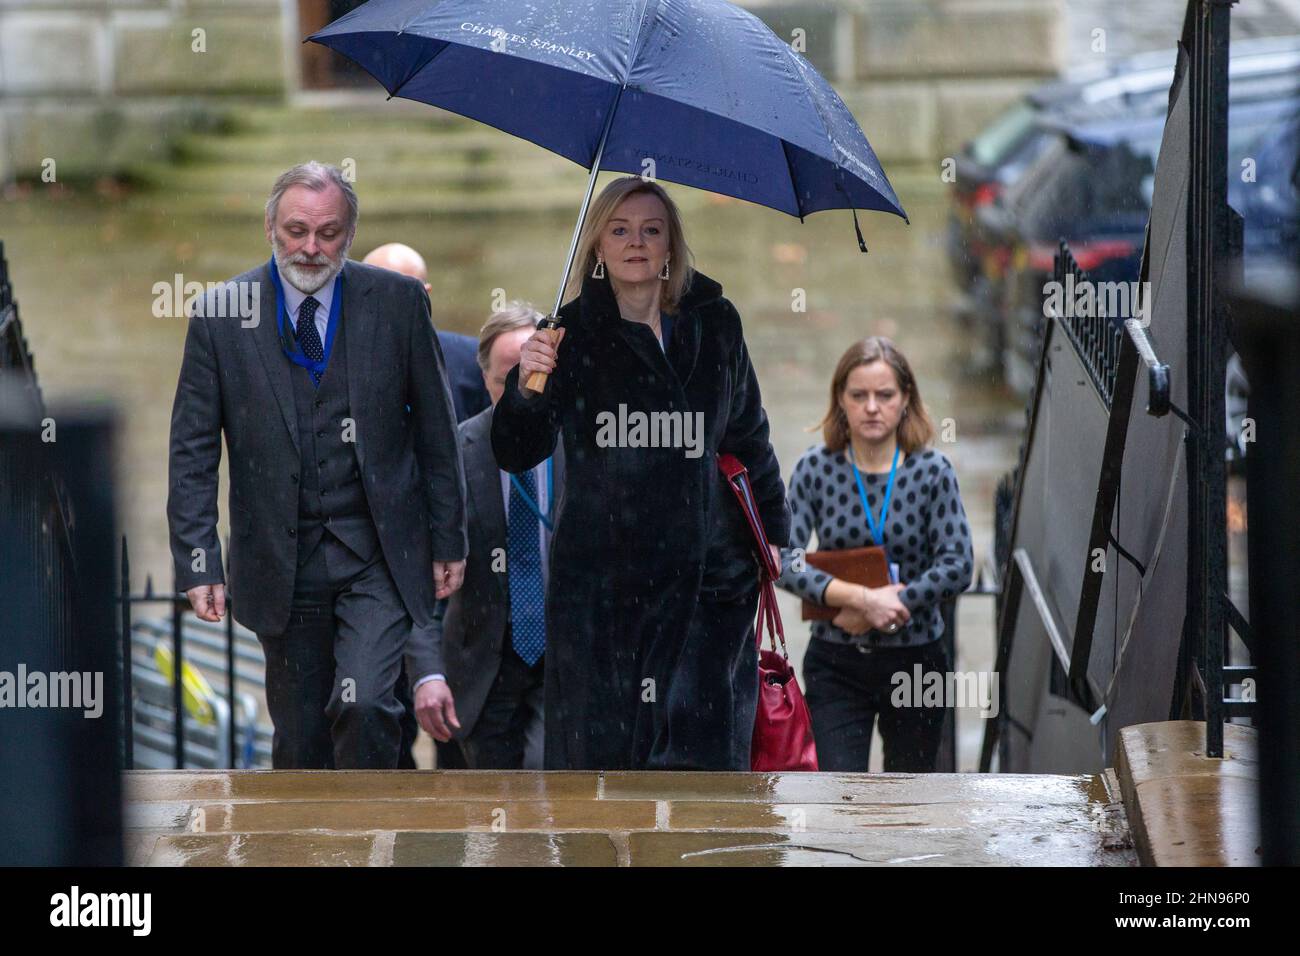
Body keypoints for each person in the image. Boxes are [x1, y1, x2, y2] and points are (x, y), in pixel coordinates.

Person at [167, 162, 467, 769]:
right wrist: (199, 558)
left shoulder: (398, 303)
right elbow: (193, 451)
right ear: (270, 227)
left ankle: (372, 844)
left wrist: (449, 539)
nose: (310, 247)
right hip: (280, 556)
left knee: (366, 704)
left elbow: (438, 432)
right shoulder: (221, 314)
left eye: (327, 232)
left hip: (379, 551)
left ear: (350, 234)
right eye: (295, 229)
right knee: (301, 738)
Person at [492, 175, 788, 771]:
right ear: (598, 246)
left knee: (702, 769)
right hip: (606, 589)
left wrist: (772, 535)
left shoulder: (715, 322)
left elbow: (749, 436)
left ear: (671, 246)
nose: (636, 242)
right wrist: (525, 385)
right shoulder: (567, 336)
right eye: (620, 230)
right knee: (607, 773)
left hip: (708, 577)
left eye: (652, 230)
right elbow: (517, 451)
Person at [776, 336, 973, 772]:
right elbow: (782, 558)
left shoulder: (931, 471)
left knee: (909, 799)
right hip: (836, 663)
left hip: (916, 661)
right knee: (837, 794)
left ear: (905, 401)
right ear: (840, 401)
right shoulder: (816, 467)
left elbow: (958, 564)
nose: (871, 407)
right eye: (858, 395)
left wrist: (895, 602)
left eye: (884, 395)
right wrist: (859, 599)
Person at [408, 302, 562, 769]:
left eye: (534, 376)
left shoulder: (585, 451)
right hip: (477, 673)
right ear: (486, 382)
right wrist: (427, 674)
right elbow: (416, 583)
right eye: (507, 379)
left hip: (564, 666)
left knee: (545, 791)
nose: (524, 393)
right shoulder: (452, 454)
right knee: (484, 818)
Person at [361, 241, 487, 769]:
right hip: (367, 567)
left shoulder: (466, 362)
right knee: (375, 719)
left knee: (456, 729)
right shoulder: (335, 367)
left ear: (426, 296)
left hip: (449, 563)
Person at [362, 243, 490, 422]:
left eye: (401, 292)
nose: (388, 303)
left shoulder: (470, 360)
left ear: (425, 293)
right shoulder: (334, 360)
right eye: (376, 292)